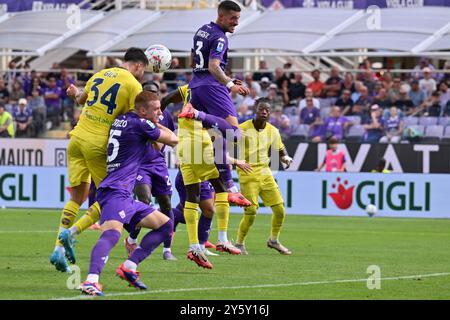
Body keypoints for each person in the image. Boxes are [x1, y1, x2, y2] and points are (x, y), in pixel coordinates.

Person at [51, 47, 148, 273]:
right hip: (98, 144)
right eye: (144, 70)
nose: (143, 75)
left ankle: (58, 249)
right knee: (109, 198)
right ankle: (71, 233)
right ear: (138, 65)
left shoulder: (101, 74)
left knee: (77, 197)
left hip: (76, 139)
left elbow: (81, 99)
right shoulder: (134, 84)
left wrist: (74, 91)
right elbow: (139, 117)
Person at [79, 91, 178, 296]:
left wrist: (152, 119)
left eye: (160, 108)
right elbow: (173, 139)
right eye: (156, 109)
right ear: (142, 110)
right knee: (112, 234)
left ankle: (129, 268)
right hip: (116, 190)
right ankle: (90, 280)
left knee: (166, 224)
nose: (160, 112)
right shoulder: (141, 124)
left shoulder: (121, 119)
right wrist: (156, 123)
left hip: (123, 192)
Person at [188, 0, 251, 205]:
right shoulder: (220, 37)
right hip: (212, 86)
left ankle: (229, 188)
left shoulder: (202, 30)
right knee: (234, 134)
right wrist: (229, 82)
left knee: (215, 137)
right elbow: (214, 65)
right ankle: (198, 115)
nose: (236, 23)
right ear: (221, 16)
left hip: (195, 84)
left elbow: (194, 57)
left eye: (238, 19)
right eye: (233, 18)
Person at [125, 81, 177, 261]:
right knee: (144, 200)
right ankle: (132, 239)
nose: (152, 94)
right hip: (141, 164)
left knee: (166, 204)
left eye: (155, 92)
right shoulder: (136, 119)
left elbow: (171, 136)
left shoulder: (164, 115)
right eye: (148, 92)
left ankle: (167, 249)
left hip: (159, 164)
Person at [234, 98, 293, 255]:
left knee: (280, 210)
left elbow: (280, 148)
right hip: (247, 173)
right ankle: (239, 243)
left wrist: (285, 157)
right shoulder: (242, 128)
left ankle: (273, 240)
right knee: (251, 211)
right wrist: (234, 161)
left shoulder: (273, 131)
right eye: (261, 109)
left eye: (267, 110)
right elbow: (224, 145)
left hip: (266, 173)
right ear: (255, 109)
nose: (264, 112)